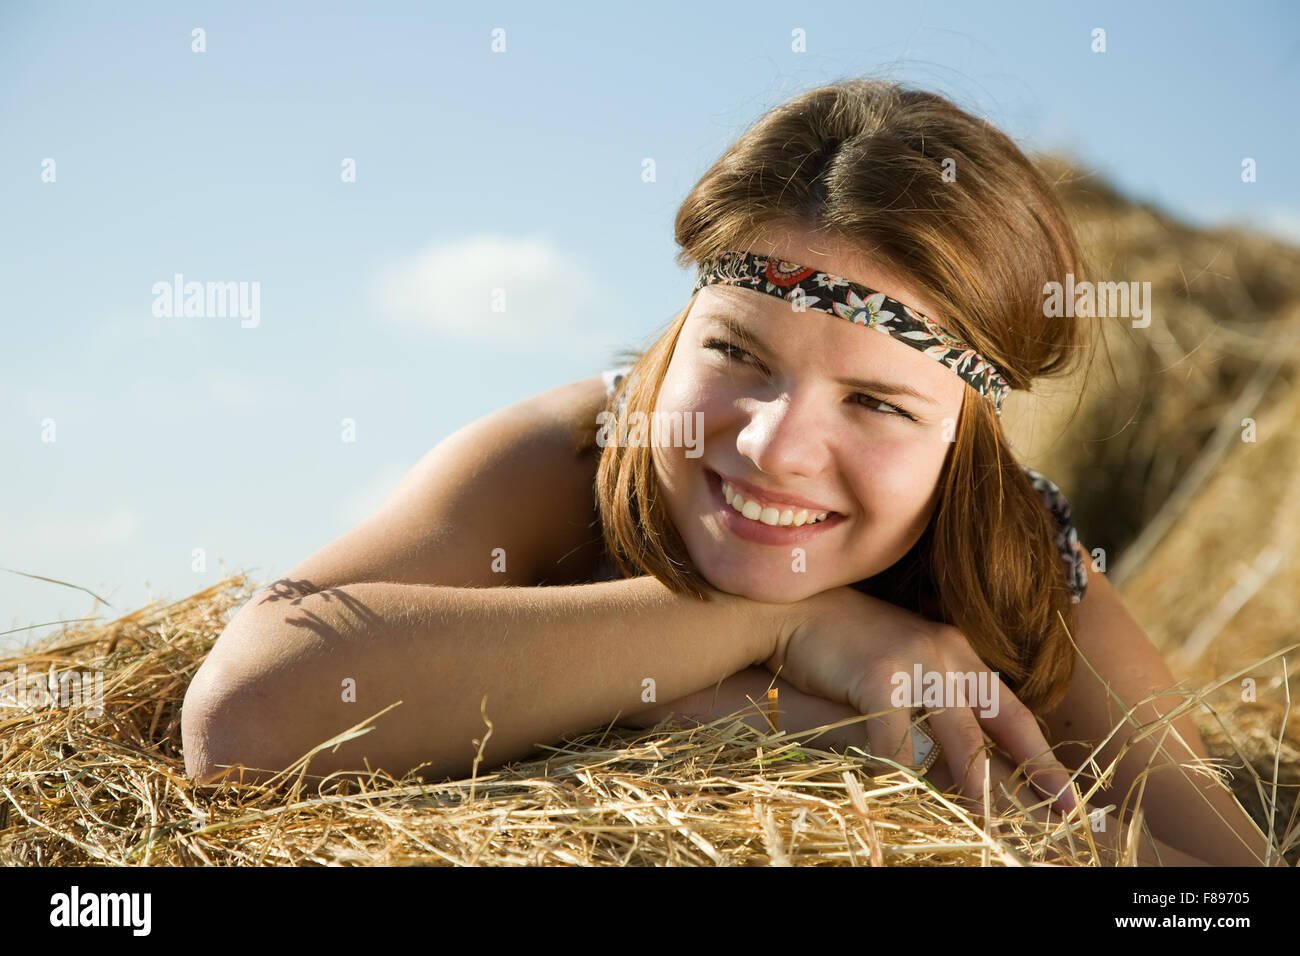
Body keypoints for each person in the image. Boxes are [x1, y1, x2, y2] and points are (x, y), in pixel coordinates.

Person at [181, 78, 1277, 867]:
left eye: (877, 401)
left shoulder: (1021, 564)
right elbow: (244, 719)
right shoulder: (571, 453)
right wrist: (780, 633)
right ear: (678, 327)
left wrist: (953, 794)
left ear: (965, 441)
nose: (769, 445)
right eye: (737, 354)